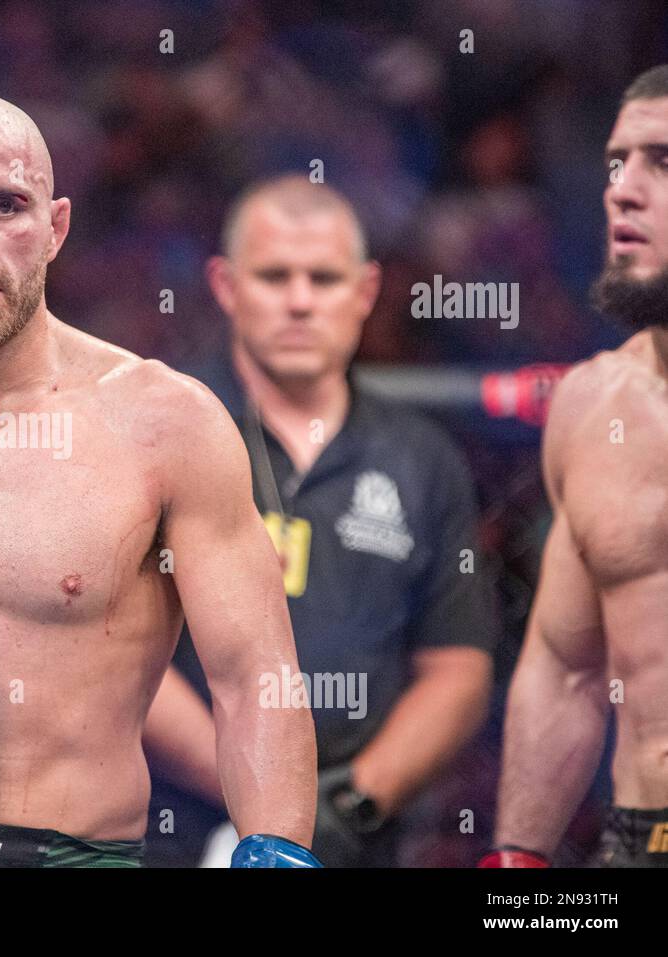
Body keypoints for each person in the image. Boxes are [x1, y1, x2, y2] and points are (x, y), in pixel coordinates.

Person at [0, 89, 318, 868]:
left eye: (7, 205)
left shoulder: (164, 422)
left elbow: (256, 677)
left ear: (56, 227)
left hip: (71, 851)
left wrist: (276, 849)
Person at [145, 175, 496, 867]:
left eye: (324, 278)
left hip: (357, 834)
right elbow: (123, 655)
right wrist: (270, 803)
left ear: (366, 291)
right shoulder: (160, 433)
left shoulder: (423, 460)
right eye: (275, 276)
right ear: (224, 285)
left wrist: (348, 806)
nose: (300, 301)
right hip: (173, 832)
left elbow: (457, 670)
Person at [484, 65, 668, 869]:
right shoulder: (591, 408)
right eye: (614, 163)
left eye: (663, 161)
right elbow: (565, 669)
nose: (621, 191)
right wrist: (517, 865)